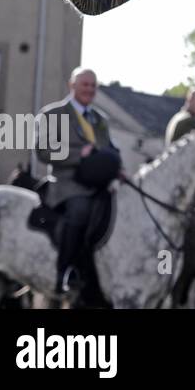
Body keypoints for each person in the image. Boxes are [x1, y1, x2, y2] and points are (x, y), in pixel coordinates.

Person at [36, 67, 121, 304]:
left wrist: (119, 168)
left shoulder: (100, 119)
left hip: (99, 184)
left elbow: (110, 149)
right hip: (68, 184)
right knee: (81, 210)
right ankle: (64, 272)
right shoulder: (52, 114)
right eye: (85, 85)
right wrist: (78, 155)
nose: (89, 90)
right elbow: (44, 151)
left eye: (93, 86)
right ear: (71, 86)